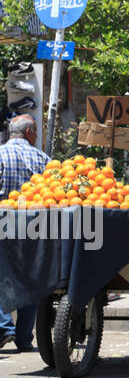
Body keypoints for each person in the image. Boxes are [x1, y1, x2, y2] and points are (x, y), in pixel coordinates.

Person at [0, 114, 50, 351]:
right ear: (29, 133)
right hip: (35, 227)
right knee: (30, 279)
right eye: (36, 132)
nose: (37, 136)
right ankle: (23, 338)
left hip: (3, 223)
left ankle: (5, 326)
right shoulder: (43, 158)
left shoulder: (0, 155)